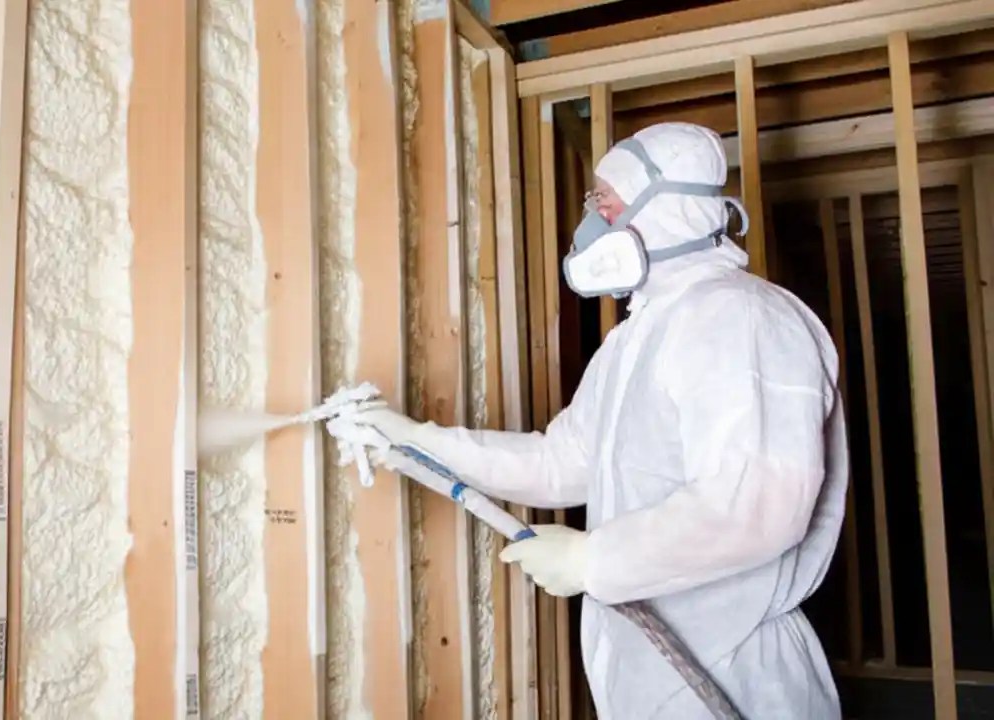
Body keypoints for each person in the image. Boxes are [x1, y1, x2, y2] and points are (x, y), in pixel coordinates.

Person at [326, 121, 847, 718]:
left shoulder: (740, 319)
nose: (591, 219)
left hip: (737, 672)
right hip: (649, 670)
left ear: (667, 209)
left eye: (604, 199)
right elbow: (562, 463)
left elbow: (757, 503)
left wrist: (593, 560)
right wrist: (419, 441)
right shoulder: (636, 337)